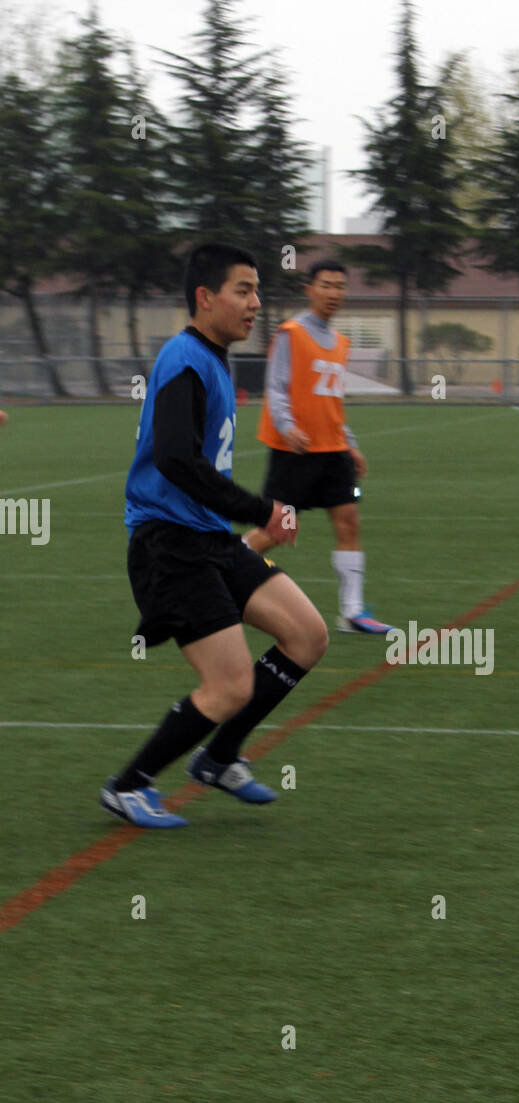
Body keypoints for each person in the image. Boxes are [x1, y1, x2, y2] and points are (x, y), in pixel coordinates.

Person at [100, 242, 328, 829]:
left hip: (209, 539)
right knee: (230, 686)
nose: (256, 303)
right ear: (205, 297)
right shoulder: (184, 359)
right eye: (243, 290)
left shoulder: (211, 358)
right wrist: (260, 509)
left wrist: (248, 517)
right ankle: (129, 786)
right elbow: (176, 459)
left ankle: (219, 758)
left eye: (258, 291)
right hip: (170, 545)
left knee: (307, 636)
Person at [244, 259, 392, 634]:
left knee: (349, 522)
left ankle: (352, 614)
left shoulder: (340, 342)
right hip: (295, 453)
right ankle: (217, 575)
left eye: (339, 286)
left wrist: (350, 444)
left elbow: (332, 402)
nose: (333, 293)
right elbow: (276, 387)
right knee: (277, 530)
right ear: (309, 290)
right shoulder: (291, 333)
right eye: (325, 285)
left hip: (334, 452)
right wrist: (287, 426)